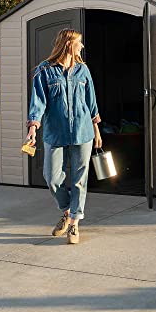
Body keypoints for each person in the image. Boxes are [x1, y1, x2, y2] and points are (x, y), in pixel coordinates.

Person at [25, 29, 102, 244]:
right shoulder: (44, 71)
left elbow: (91, 101)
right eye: (79, 43)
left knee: (79, 180)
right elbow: (38, 103)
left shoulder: (83, 71)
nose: (82, 46)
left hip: (83, 131)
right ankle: (68, 211)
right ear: (68, 44)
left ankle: (74, 224)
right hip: (55, 132)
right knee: (51, 177)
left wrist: (97, 131)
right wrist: (33, 127)